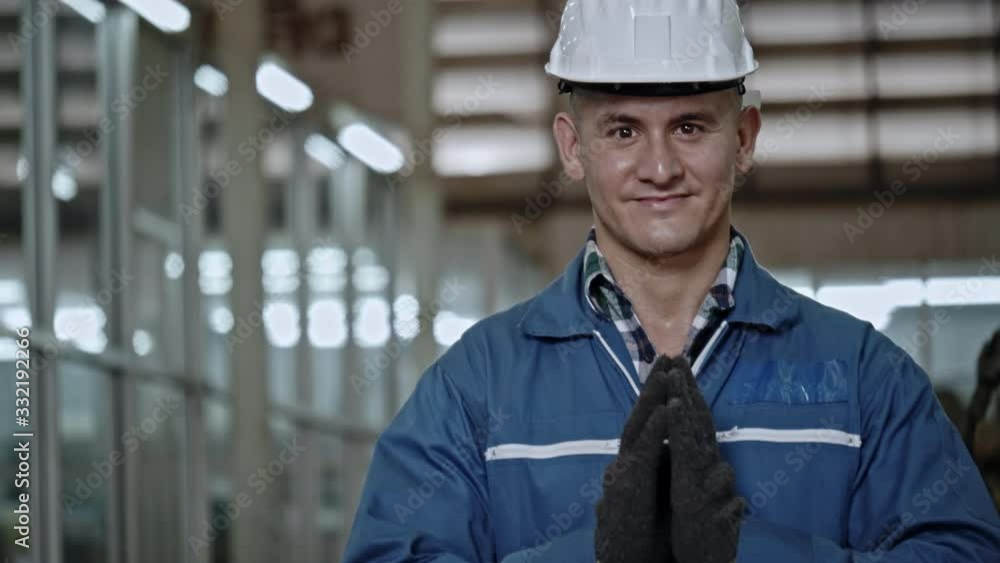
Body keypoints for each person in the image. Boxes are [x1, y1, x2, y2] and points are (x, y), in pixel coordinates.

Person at [342, 1, 1000, 561]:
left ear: (744, 138)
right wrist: (592, 553)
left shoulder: (864, 379)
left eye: (690, 127)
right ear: (573, 148)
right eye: (623, 130)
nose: (659, 166)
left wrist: (747, 549)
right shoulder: (473, 390)